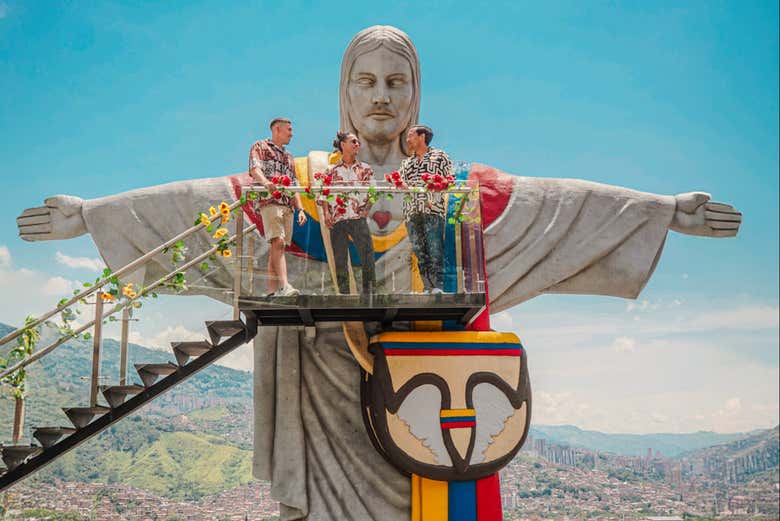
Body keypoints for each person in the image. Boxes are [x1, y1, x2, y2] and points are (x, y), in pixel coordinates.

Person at [248, 117, 307, 297]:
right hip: (269, 201)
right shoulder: (261, 146)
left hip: (287, 204)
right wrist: (266, 183)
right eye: (289, 129)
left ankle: (272, 291)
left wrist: (301, 209)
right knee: (278, 241)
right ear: (277, 129)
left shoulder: (289, 156)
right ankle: (284, 286)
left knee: (277, 245)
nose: (292, 133)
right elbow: (254, 168)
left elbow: (294, 183)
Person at [397, 125, 452, 294]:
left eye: (410, 135)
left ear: (422, 137)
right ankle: (427, 287)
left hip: (433, 209)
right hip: (411, 211)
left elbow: (450, 179)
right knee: (419, 251)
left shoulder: (440, 156)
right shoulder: (406, 162)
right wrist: (400, 185)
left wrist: (437, 187)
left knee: (435, 248)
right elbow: (399, 183)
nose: (407, 140)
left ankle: (438, 287)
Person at [319, 132, 376, 294]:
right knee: (340, 258)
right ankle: (343, 294)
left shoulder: (366, 169)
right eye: (353, 141)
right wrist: (326, 214)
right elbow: (323, 193)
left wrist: (366, 210)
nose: (357, 144)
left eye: (358, 142)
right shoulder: (331, 170)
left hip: (358, 217)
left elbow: (374, 192)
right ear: (342, 145)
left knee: (367, 255)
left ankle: (370, 293)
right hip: (338, 219)